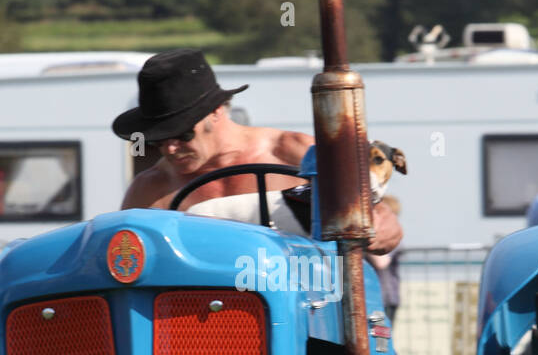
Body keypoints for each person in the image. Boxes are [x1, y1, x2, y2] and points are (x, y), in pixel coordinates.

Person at [115, 49, 402, 252]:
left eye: (182, 134)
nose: (171, 148)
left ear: (216, 111)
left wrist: (385, 225)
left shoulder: (292, 153)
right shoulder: (149, 192)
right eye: (159, 140)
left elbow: (367, 205)